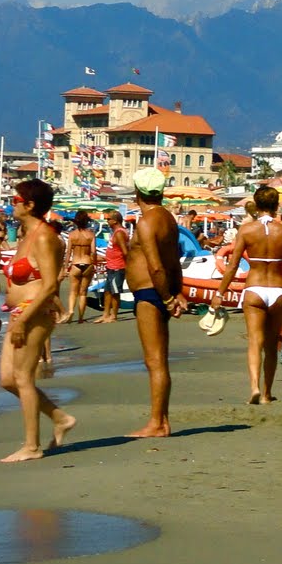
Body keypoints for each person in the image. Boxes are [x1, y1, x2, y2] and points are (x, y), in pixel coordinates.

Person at [0, 178, 75, 462]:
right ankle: (60, 417)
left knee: (23, 378)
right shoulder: (24, 234)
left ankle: (31, 446)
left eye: (15, 201)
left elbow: (51, 285)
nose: (11, 205)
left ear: (30, 205)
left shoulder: (44, 236)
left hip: (34, 312)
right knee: (8, 379)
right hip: (20, 313)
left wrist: (22, 320)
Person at [212, 184, 282, 404]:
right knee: (271, 345)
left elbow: (233, 265)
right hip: (278, 290)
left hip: (254, 289)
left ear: (256, 204)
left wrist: (220, 293)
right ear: (275, 205)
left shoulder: (247, 230)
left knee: (255, 341)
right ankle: (266, 393)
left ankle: (253, 386)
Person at [126, 167, 187, 437]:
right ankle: (161, 420)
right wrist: (179, 292)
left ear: (137, 192)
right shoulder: (169, 219)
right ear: (161, 192)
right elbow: (173, 261)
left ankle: (157, 423)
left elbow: (156, 267)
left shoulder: (147, 222)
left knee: (154, 361)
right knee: (159, 359)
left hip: (151, 293)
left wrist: (167, 297)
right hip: (160, 291)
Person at [63, 210, 98, 323]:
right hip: (87, 263)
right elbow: (93, 252)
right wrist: (94, 263)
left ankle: (71, 311)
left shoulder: (72, 235)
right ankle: (81, 318)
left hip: (76, 263)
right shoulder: (91, 235)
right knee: (83, 292)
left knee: (73, 291)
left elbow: (68, 252)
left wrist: (65, 267)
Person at [98, 208, 128, 323]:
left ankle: (113, 315)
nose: (107, 221)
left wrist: (128, 267)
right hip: (111, 266)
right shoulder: (116, 232)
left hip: (118, 267)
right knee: (107, 291)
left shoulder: (120, 233)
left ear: (115, 221)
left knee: (115, 292)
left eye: (108, 219)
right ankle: (105, 314)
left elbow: (125, 251)